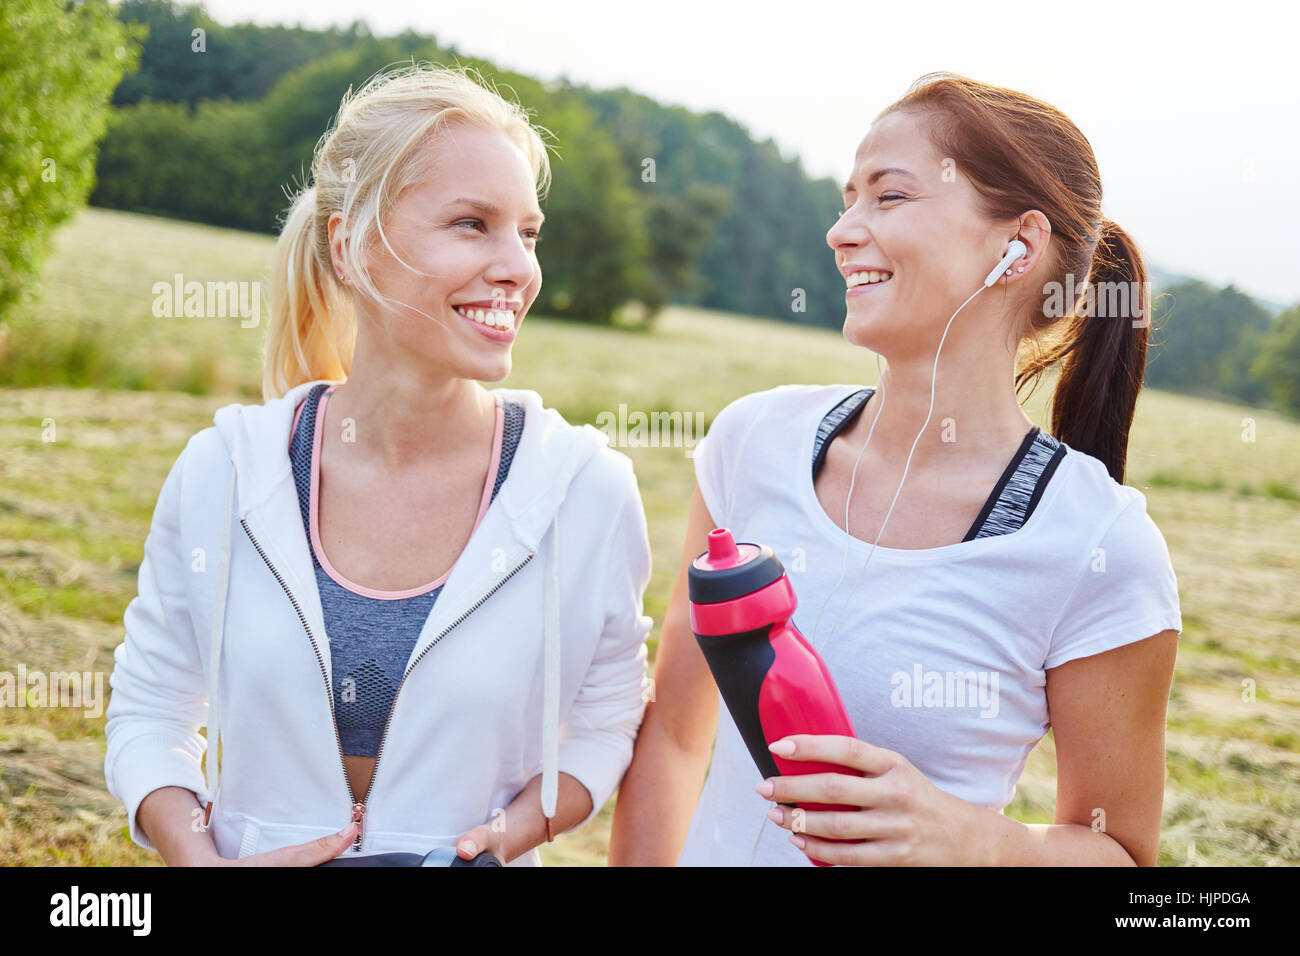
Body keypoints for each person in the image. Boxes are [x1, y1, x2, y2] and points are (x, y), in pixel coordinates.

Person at [611, 71, 1181, 867]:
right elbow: (674, 733)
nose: (842, 231)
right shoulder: (754, 441)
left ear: (1016, 246)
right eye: (849, 199)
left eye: (888, 198)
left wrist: (969, 839)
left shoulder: (1100, 544)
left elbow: (1120, 855)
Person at [103, 64, 653, 867]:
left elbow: (608, 719)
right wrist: (199, 860)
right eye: (472, 223)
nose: (519, 267)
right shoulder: (222, 471)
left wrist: (514, 833)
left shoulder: (587, 492)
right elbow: (150, 709)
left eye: (528, 232)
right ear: (352, 244)